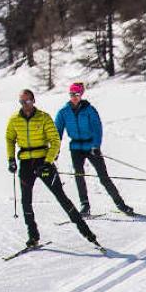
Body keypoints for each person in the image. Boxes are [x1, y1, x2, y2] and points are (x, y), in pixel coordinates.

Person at [6, 87, 97, 249]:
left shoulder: (43, 118)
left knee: (61, 197)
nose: (25, 104)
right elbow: (10, 139)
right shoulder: (14, 120)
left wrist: (47, 162)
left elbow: (55, 141)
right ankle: (32, 236)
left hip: (43, 161)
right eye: (22, 102)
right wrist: (11, 159)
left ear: (33, 101)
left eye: (27, 101)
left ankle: (87, 232)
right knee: (26, 201)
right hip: (25, 163)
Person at [55, 81, 136, 216]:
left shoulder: (89, 110)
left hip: (91, 146)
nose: (74, 97)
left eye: (76, 94)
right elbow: (57, 132)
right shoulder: (63, 112)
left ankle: (120, 204)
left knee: (103, 177)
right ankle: (85, 205)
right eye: (71, 94)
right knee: (79, 175)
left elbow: (97, 128)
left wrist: (96, 146)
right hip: (75, 147)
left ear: (81, 94)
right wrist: (55, 150)